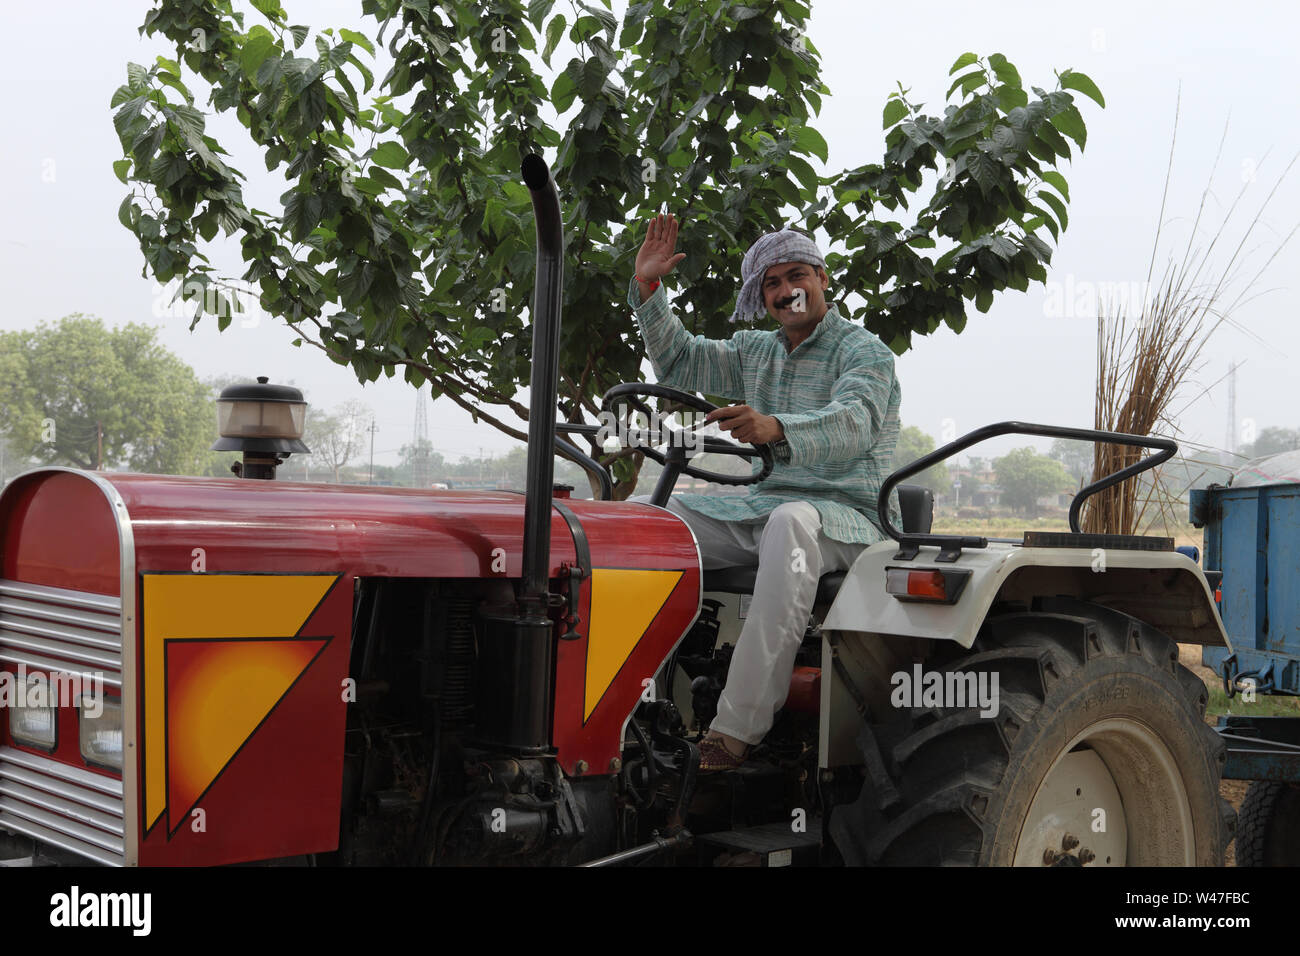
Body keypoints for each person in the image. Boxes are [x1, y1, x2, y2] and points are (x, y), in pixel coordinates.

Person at [627, 214, 902, 771]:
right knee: (644, 519)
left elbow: (856, 421)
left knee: (791, 524)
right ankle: (623, 708)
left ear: (823, 278)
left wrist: (777, 428)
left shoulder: (864, 352)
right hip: (765, 504)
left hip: (846, 518)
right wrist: (650, 290)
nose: (785, 292)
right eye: (771, 284)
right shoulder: (756, 350)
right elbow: (681, 360)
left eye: (795, 276)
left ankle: (733, 733)